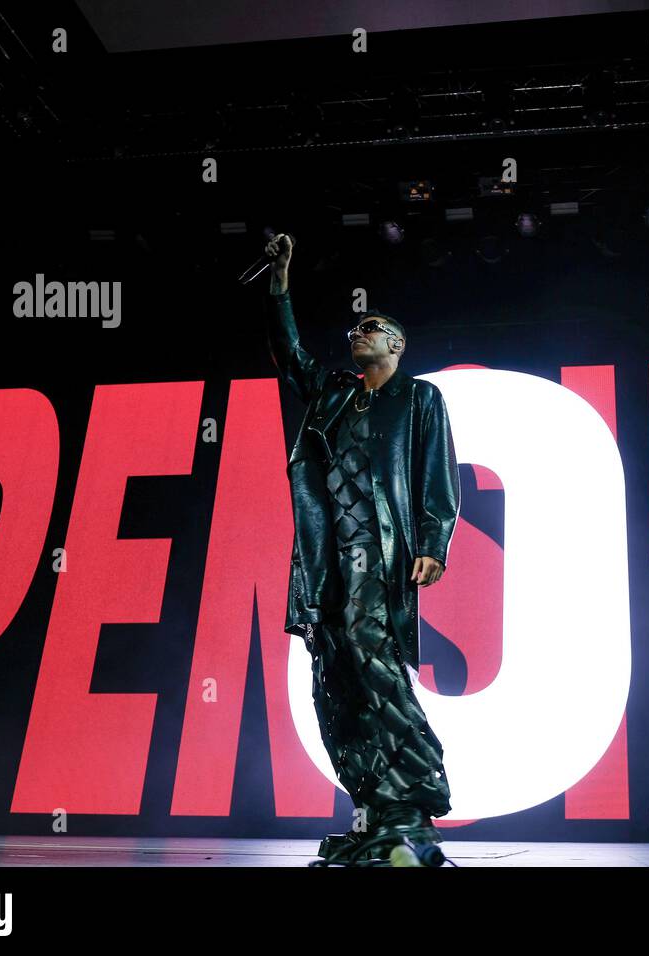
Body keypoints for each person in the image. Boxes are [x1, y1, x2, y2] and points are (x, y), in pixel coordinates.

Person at [261, 233, 460, 860]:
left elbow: (437, 475)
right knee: (335, 672)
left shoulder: (420, 398)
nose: (357, 334)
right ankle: (371, 799)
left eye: (370, 328)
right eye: (355, 329)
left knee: (373, 657)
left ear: (396, 345)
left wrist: (433, 541)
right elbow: (289, 354)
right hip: (329, 558)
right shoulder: (334, 392)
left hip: (383, 549)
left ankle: (417, 784)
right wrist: (280, 284)